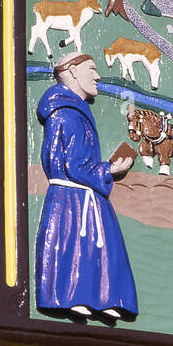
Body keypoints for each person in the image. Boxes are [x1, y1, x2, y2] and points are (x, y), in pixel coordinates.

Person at [35, 53, 138, 319]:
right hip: (71, 196)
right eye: (91, 69)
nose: (97, 76)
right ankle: (72, 297)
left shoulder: (76, 110)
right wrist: (108, 169)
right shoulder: (66, 114)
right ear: (71, 72)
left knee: (103, 249)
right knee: (73, 246)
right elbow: (73, 164)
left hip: (85, 194)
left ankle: (106, 299)